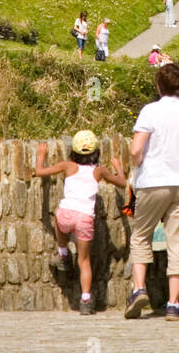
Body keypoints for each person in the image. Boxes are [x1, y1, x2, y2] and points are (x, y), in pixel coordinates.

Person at [125, 63, 179, 321]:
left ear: (158, 85)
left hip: (154, 181)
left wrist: (137, 165)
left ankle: (138, 289)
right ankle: (173, 304)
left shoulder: (150, 111)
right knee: (178, 243)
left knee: (141, 236)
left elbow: (136, 149)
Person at [35, 131, 127, 315]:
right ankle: (85, 300)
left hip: (66, 215)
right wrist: (119, 167)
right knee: (84, 261)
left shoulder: (68, 166)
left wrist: (41, 156)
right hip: (85, 218)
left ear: (74, 151)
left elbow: (39, 172)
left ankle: (62, 252)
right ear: (96, 152)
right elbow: (122, 183)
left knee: (59, 215)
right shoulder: (98, 171)